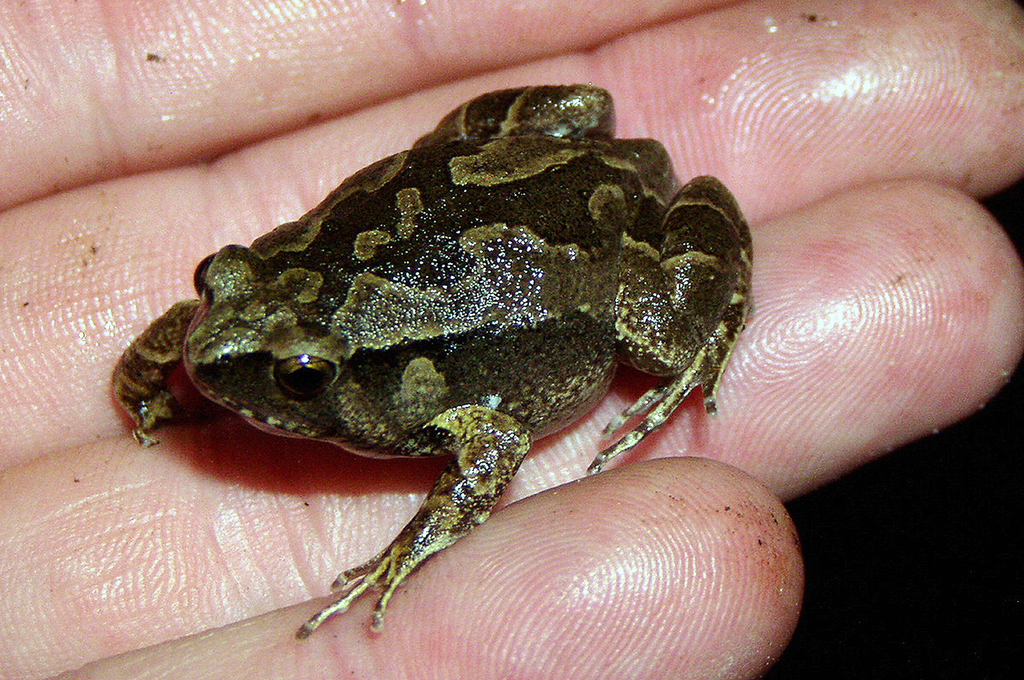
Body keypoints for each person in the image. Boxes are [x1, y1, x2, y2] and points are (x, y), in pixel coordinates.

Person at [1, 1, 1021, 678]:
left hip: (600, 262)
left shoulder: (420, 393)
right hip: (515, 176)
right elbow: (214, 338)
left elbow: (485, 441)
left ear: (342, 374)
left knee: (661, 342)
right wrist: (153, 369)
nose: (208, 345)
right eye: (221, 284)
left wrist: (419, 539)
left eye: (305, 375)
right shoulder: (255, 309)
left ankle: (700, 341)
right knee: (559, 125)